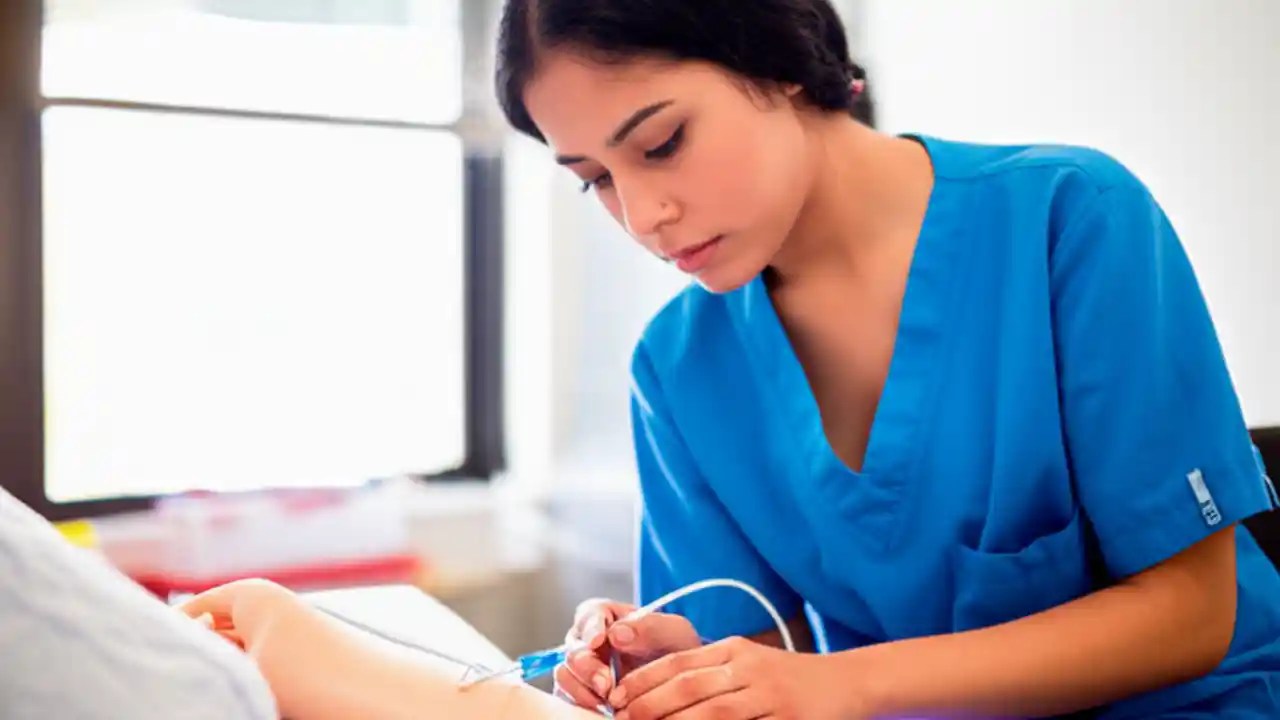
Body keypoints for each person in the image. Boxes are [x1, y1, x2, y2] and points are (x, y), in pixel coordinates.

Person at [487, 0, 1280, 718]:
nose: (642, 216)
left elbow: (1191, 614)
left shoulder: (1069, 218)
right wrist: (679, 671)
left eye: (662, 144)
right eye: (595, 180)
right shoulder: (677, 368)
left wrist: (845, 684)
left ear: (776, 59)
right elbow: (765, 653)